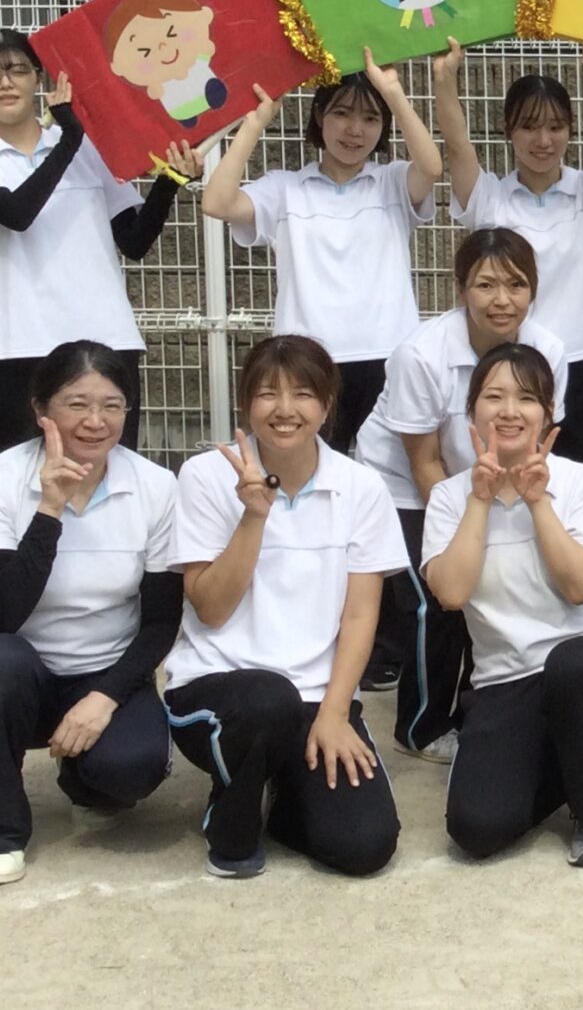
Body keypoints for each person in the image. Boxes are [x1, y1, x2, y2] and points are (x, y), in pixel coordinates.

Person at [163, 335, 405, 879]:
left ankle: (284, 801)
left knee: (365, 846)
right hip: (220, 689)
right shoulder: (204, 477)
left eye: (303, 393)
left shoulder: (361, 487)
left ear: (327, 405)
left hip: (315, 700)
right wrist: (253, 515)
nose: (286, 409)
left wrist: (336, 712)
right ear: (247, 402)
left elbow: (361, 616)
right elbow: (211, 609)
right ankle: (230, 820)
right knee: (266, 700)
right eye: (268, 393)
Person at [0, 341, 179, 885]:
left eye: (112, 405)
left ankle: (82, 776)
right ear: (40, 410)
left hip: (102, 671)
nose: (95, 422)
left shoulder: (155, 486)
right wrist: (49, 508)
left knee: (131, 772)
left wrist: (104, 698)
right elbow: (4, 613)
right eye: (76, 404)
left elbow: (162, 621)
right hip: (13, 673)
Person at [422, 343, 583, 868]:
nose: (509, 411)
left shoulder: (578, 481)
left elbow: (580, 587)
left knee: (569, 666)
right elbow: (450, 594)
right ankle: (570, 758)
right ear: (471, 410)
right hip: (505, 678)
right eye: (493, 396)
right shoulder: (451, 497)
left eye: (526, 398)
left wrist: (539, 501)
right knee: (475, 830)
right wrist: (480, 499)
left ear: (548, 412)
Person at [356, 229, 570, 759]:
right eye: (486, 284)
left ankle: (482, 703)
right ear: (460, 290)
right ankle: (421, 726)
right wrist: (463, 522)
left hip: (494, 482)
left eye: (517, 285)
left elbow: (539, 440)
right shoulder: (420, 355)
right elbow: (424, 459)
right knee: (438, 599)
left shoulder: (550, 349)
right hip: (404, 487)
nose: (503, 300)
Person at [0, 29, 195, 452]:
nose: (5, 83)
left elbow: (133, 240)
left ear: (39, 77)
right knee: (25, 483)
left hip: (106, 338)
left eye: (18, 70)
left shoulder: (85, 147)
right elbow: (15, 214)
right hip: (15, 343)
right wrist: (70, 141)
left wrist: (170, 182)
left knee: (110, 477)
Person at [200, 52, 445, 455]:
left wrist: (394, 93)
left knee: (393, 482)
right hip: (307, 363)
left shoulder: (391, 182)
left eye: (370, 118)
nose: (354, 130)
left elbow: (432, 167)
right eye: (342, 113)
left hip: (389, 355)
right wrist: (255, 123)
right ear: (319, 116)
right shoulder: (286, 188)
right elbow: (217, 202)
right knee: (306, 475)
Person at [436, 39, 583, 486]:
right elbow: (456, 144)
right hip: (515, 368)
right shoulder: (488, 198)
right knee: (509, 490)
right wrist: (444, 81)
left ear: (570, 130)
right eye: (529, 127)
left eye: (556, 127)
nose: (544, 140)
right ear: (508, 130)